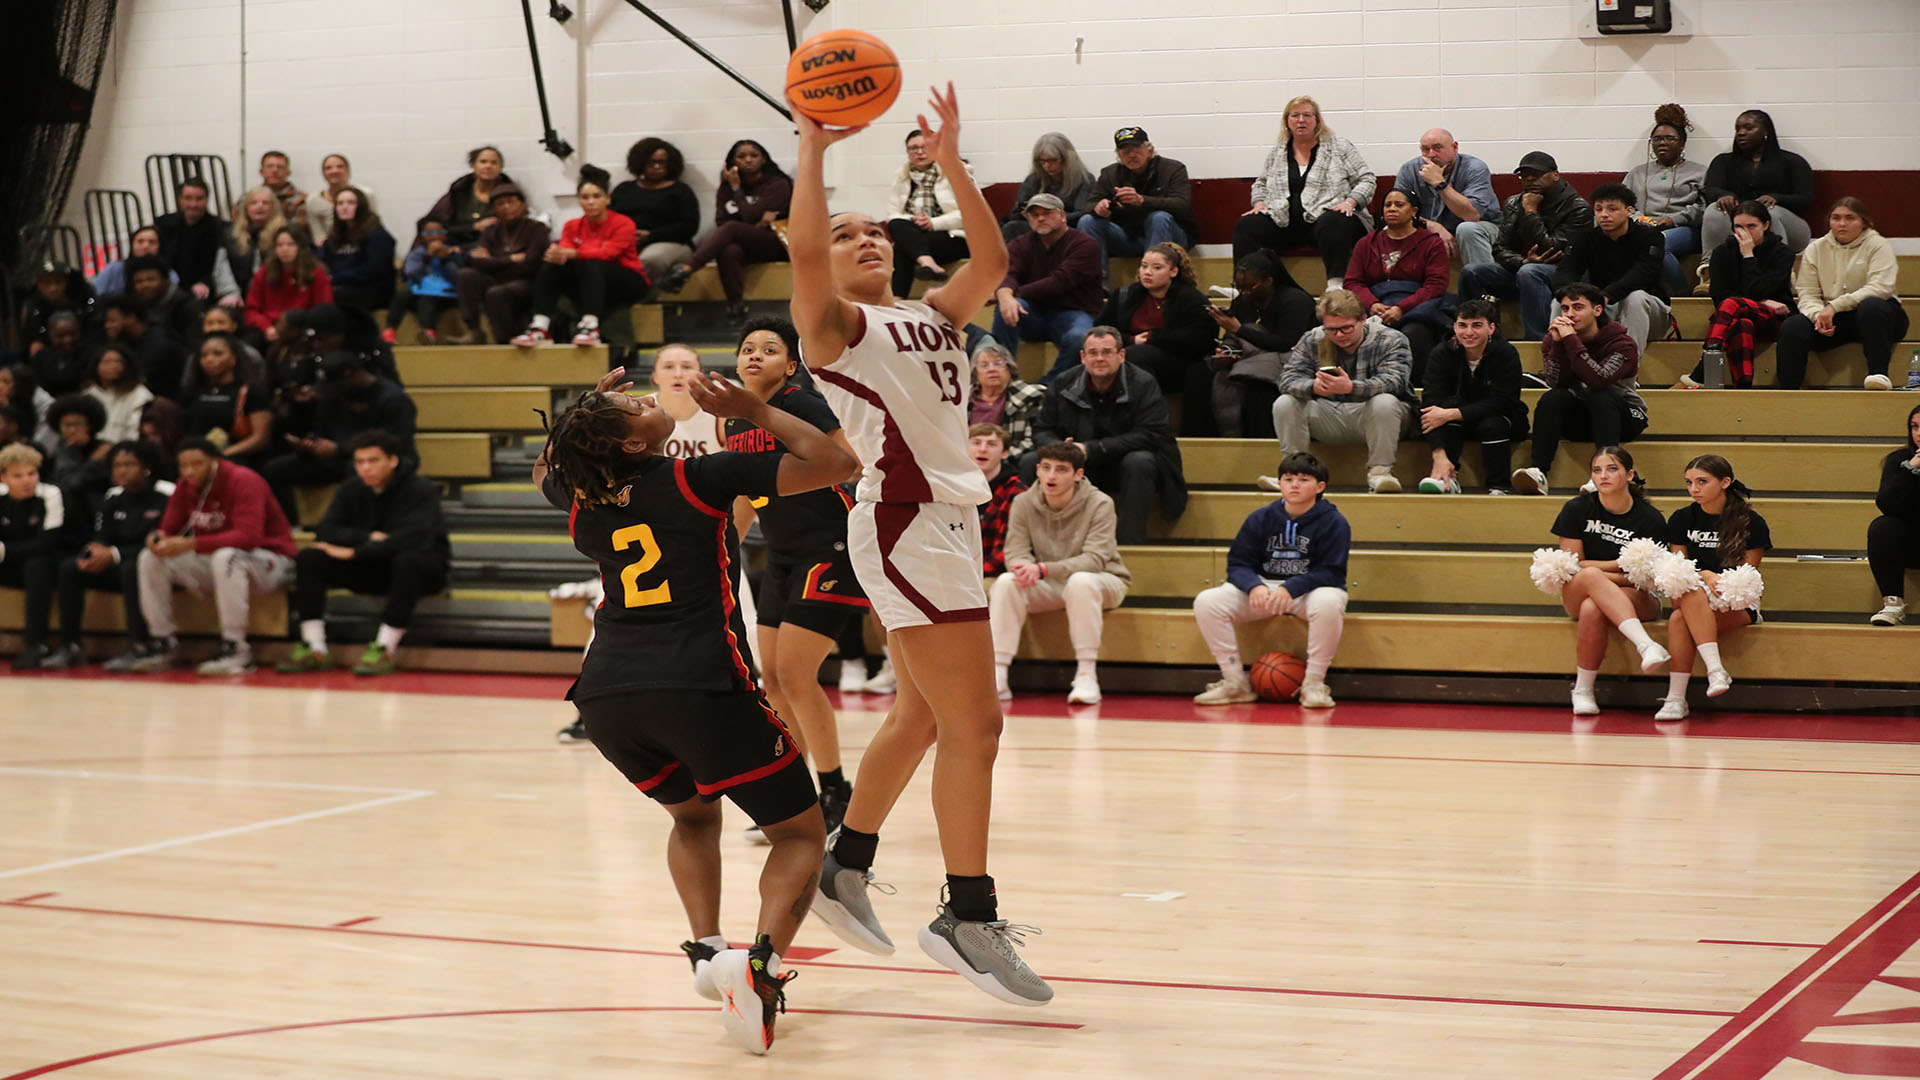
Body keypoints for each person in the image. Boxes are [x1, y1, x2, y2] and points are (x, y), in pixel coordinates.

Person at [787, 85, 1053, 1006]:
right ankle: (968, 914)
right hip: (904, 522)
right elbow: (802, 245)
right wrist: (813, 152)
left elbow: (993, 254)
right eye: (846, 232)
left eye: (877, 230)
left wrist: (949, 158)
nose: (866, 239)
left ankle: (844, 864)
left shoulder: (937, 315)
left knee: (922, 717)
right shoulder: (836, 330)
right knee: (977, 725)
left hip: (941, 523)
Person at [535, 364, 855, 1055]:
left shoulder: (578, 497)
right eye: (633, 406)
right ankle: (760, 971)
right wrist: (755, 411)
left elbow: (547, 466)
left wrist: (586, 408)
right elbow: (836, 460)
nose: (649, 398)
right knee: (800, 836)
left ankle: (707, 952)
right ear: (631, 445)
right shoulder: (698, 477)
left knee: (693, 813)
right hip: (701, 684)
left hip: (608, 697)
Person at [722, 316, 865, 837]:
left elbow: (850, 460)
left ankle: (836, 792)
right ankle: (797, 797)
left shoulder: (800, 404)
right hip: (781, 556)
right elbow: (740, 498)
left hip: (831, 548)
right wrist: (719, 550)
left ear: (790, 363)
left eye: (769, 348)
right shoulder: (732, 421)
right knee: (775, 681)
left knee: (798, 675)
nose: (755, 355)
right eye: (747, 348)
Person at [274, 431, 450, 677]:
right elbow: (326, 530)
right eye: (359, 462)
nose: (365, 468)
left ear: (393, 461)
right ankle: (314, 647)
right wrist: (366, 539)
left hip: (418, 572)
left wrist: (356, 553)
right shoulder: (351, 489)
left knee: (410, 559)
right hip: (371, 566)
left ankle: (384, 648)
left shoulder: (420, 489)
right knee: (310, 557)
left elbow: (415, 538)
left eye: (373, 460)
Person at [1191, 451, 1349, 709]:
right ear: (1280, 483)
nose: (1294, 485)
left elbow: (1331, 571)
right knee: (1208, 601)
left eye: (1303, 479)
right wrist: (1254, 586)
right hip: (1264, 589)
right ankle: (1234, 683)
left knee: (1330, 601)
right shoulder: (1260, 518)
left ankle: (1313, 684)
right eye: (1288, 479)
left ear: (1320, 487)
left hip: (1309, 591)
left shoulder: (1334, 522)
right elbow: (1238, 564)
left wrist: (1291, 587)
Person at [127, 438, 297, 676]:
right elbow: (169, 528)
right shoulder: (185, 486)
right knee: (150, 558)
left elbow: (248, 537)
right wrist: (157, 538)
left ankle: (236, 648)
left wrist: (192, 544)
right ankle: (162, 641)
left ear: (216, 461)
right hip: (222, 563)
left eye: (196, 464)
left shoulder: (244, 480)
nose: (189, 471)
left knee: (226, 556)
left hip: (272, 562)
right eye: (183, 466)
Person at [988, 440, 1129, 706]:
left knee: (1081, 582)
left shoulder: (1100, 503)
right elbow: (1015, 551)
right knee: (1007, 582)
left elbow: (1095, 559)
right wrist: (1022, 568)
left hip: (1104, 581)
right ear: (1038, 470)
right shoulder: (1023, 501)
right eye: (1046, 468)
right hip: (1050, 582)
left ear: (1078, 474)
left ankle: (1086, 675)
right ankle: (998, 675)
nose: (1051, 476)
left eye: (1061, 470)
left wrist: (1042, 569)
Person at [1030, 326, 1187, 545]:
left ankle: (1129, 545)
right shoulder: (1063, 382)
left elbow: (1153, 434)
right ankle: (1040, 544)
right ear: (1083, 357)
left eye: (1107, 352)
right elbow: (1041, 429)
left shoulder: (1143, 383)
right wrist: (1061, 450)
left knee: (1139, 462)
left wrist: (1091, 449)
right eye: (1093, 353)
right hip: (1078, 464)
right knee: (1031, 462)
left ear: (1121, 356)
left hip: (1125, 463)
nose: (1100, 358)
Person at [1551, 446, 1672, 716]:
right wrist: (1618, 567)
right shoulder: (1576, 509)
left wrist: (1600, 576)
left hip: (1639, 595)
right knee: (1589, 578)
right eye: (1597, 470)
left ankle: (1582, 690)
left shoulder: (1650, 518)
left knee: (1593, 606)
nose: (1603, 476)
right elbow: (1572, 565)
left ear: (1629, 475)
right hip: (1580, 588)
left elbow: (1647, 579)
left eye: (1612, 469)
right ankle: (1646, 645)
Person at [1262, 289, 1412, 495]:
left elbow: (1395, 381)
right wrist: (1312, 387)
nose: (1339, 335)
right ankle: (1293, 474)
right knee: (1285, 403)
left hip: (1374, 416)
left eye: (1346, 328)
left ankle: (1380, 474)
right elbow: (1287, 378)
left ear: (1363, 320)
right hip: (1328, 413)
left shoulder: (1391, 339)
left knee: (1385, 402)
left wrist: (1351, 386)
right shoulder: (1313, 338)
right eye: (1331, 329)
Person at [1658, 454, 1769, 721]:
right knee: (1690, 592)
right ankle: (1716, 669)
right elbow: (1678, 570)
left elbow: (1748, 577)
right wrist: (1705, 574)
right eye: (1689, 482)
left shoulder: (1751, 522)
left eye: (1702, 482)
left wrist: (1714, 582)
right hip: (1689, 593)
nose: (1693, 489)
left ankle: (1675, 699)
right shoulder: (1681, 519)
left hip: (1734, 601)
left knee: (1677, 621)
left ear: (1725, 482)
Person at [46, 441, 174, 671]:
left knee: (133, 567)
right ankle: (70, 645)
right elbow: (102, 536)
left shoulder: (166, 493)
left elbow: (161, 544)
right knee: (70, 567)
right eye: (116, 465)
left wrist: (113, 554)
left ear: (147, 466)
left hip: (155, 565)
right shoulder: (113, 495)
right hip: (116, 561)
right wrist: (95, 552)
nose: (121, 470)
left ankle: (139, 645)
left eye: (129, 464)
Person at [1513, 284, 1648, 496]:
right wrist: (1559, 346)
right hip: (1582, 419)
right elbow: (1557, 382)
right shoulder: (1555, 339)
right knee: (1553, 397)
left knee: (1602, 397)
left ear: (1597, 310)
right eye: (1565, 309)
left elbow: (1598, 380)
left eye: (1578, 307)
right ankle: (1539, 472)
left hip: (1626, 417)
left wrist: (1571, 340)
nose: (1570, 314)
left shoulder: (1623, 343)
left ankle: (1606, 473)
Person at [1234, 97, 1375, 287]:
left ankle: (1337, 284)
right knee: (1248, 224)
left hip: (1327, 221)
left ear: (1317, 121)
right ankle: (1244, 284)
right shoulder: (1278, 152)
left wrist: (1350, 202)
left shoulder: (1339, 147)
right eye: (1295, 115)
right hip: (1285, 221)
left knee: (1333, 220)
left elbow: (1367, 179)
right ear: (1287, 121)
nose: (1301, 120)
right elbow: (1261, 184)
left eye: (1307, 115)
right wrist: (1259, 203)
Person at [262, 350, 416, 523]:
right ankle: (287, 525)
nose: (333, 392)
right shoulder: (332, 397)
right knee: (274, 469)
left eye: (336, 386)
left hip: (383, 460)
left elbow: (395, 443)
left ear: (350, 375)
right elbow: (321, 429)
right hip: (334, 459)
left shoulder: (392, 399)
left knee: (360, 468)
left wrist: (339, 449)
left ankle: (363, 528)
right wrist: (311, 445)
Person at [1778, 197, 1909, 390]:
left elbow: (1881, 287)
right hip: (1835, 319)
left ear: (1864, 222)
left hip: (1880, 317)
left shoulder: (1878, 245)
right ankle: (1788, 390)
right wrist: (1818, 316)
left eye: (1850, 218)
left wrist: (1834, 306)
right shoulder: (1816, 248)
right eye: (1836, 218)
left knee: (1872, 306)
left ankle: (1879, 375)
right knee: (1793, 325)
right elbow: (1807, 292)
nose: (1842, 224)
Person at [1459, 152, 1593, 341]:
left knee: (1530, 273)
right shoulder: (1514, 203)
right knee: (1471, 272)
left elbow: (1554, 249)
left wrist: (1531, 212)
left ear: (1555, 175)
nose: (1530, 179)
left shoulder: (1578, 208)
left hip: (1565, 274)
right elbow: (1499, 248)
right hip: (1524, 269)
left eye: (1536, 174)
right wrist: (1522, 261)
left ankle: (1538, 340)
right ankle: (1480, 335)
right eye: (1524, 175)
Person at [655, 141, 793, 323]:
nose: (748, 160)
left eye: (754, 155)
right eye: (742, 156)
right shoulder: (726, 187)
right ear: (733, 162)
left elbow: (747, 217)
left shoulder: (777, 184)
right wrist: (754, 223)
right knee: (729, 250)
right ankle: (736, 306)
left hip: (773, 244)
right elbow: (722, 220)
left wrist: (737, 191)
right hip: (745, 243)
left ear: (763, 159)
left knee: (732, 229)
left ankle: (686, 270)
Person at [513, 165, 650, 349]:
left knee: (593, 263)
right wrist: (556, 254)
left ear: (607, 199)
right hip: (589, 279)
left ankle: (590, 326)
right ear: (579, 200)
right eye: (585, 197)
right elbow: (565, 251)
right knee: (552, 265)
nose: (591, 202)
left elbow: (608, 253)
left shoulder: (623, 223)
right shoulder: (572, 225)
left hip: (628, 279)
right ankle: (540, 326)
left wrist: (575, 253)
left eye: (596, 196)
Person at [1094, 242, 1217, 417]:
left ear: (1173, 271)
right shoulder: (1125, 294)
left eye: (1157, 267)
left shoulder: (1192, 299)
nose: (1147, 272)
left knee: (1135, 355)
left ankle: (1150, 417)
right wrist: (1131, 340)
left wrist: (1155, 337)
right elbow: (1100, 330)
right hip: (1129, 355)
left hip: (1177, 363)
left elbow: (1201, 339)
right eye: (1144, 266)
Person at [991, 193, 1104, 383]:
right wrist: (1005, 295)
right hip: (1034, 313)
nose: (1040, 218)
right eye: (1034, 215)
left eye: (1047, 213)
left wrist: (1011, 293)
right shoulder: (1020, 243)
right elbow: (1007, 273)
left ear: (1062, 216)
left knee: (1080, 338)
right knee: (1007, 309)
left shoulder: (1086, 244)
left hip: (1074, 312)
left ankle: (1048, 388)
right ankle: (1003, 381)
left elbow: (1059, 281)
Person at [1419, 299, 1528, 495]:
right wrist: (1438, 454)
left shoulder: (1506, 353)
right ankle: (1447, 478)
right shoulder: (1442, 353)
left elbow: (1503, 402)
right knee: (1442, 413)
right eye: (1462, 325)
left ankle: (1499, 486)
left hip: (1503, 417)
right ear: (1454, 327)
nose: (1468, 332)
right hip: (1458, 421)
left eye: (1477, 325)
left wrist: (1453, 413)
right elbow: (1430, 406)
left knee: (1492, 424)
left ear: (1491, 328)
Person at [1202, 252, 1316, 438]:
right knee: (1200, 373)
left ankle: (1260, 442)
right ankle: (1208, 440)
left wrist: (1239, 329)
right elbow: (1235, 338)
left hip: (1292, 359)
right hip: (1252, 358)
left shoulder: (1296, 301)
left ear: (1269, 281)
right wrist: (1226, 352)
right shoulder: (1243, 301)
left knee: (1256, 385)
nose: (1243, 292)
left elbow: (1287, 343)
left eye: (1249, 287)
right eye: (1238, 287)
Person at [1682, 200, 1795, 388]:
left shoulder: (1783, 253)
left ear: (1766, 225)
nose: (1745, 232)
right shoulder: (1721, 253)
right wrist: (1764, 300)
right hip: (1738, 317)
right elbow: (1720, 296)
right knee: (1741, 324)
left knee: (1734, 304)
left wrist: (1748, 256)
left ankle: (1708, 358)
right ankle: (1743, 388)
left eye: (1752, 226)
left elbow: (1761, 289)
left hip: (1776, 317)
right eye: (1738, 226)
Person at [1552, 181, 1671, 354]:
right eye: (1599, 209)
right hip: (1603, 306)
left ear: (1629, 211)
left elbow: (1644, 273)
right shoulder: (1586, 238)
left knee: (1635, 298)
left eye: (1612, 209)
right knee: (1560, 301)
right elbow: (1567, 269)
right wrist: (1567, 294)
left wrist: (1606, 295)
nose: (1604, 215)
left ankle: (1628, 373)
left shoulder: (1650, 236)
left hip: (1648, 308)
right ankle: (1558, 363)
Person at [1345, 189, 1451, 380]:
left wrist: (1401, 308)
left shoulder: (1431, 244)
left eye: (1399, 205)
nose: (1392, 209)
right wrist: (1373, 304)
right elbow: (1352, 282)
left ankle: (1416, 388)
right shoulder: (1366, 243)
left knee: (1414, 334)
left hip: (1418, 309)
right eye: (1388, 205)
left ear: (1414, 211)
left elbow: (1436, 285)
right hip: (1375, 308)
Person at [1700, 109, 1814, 265]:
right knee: (1714, 211)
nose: (1741, 133)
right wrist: (1723, 195)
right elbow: (1710, 189)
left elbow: (1805, 199)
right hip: (1740, 227)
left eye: (1748, 128)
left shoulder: (1792, 162)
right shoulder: (1723, 161)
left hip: (1790, 229)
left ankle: (1776, 269)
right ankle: (1709, 269)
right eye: (1738, 129)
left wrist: (1777, 198)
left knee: (1768, 212)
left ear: (1765, 131)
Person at [1076, 126, 1197, 267]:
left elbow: (1182, 205)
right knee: (1087, 221)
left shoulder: (1173, 169)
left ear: (1150, 150)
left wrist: (1142, 201)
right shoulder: (1110, 174)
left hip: (1170, 237)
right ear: (1119, 155)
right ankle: (1097, 283)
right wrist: (1099, 207)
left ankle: (1152, 279)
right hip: (1128, 237)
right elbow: (1087, 206)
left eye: (1136, 149)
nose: (1131, 155)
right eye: (1125, 151)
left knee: (1158, 217)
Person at [1623, 104, 1708, 294]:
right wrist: (1640, 220)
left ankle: (1682, 293)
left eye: (1669, 138)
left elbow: (1704, 207)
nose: (1662, 143)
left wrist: (1673, 219)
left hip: (1684, 230)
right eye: (1657, 139)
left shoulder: (1700, 172)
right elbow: (1623, 205)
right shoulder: (1637, 173)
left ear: (1682, 143)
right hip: (1643, 228)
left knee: (1658, 242)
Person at [457, 183, 550, 344]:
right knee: (465, 275)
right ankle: (474, 330)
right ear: (494, 209)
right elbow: (477, 262)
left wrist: (493, 260)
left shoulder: (537, 228)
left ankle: (504, 341)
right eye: (500, 204)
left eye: (511, 202)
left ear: (522, 204)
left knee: (496, 293)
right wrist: (511, 259)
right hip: (497, 278)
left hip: (525, 282)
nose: (507, 207)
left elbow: (530, 262)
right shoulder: (490, 231)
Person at [0, 442, 65, 670]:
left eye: (32, 473)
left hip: (44, 563)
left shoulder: (50, 494)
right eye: (18, 476)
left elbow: (46, 544)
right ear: (3, 478)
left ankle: (35, 644)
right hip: (8, 562)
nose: (27, 480)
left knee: (36, 565)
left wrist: (5, 550)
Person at [886, 128, 974, 296]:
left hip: (954, 237)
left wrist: (933, 223)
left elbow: (971, 214)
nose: (919, 152)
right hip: (917, 237)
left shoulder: (957, 172)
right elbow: (893, 215)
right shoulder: (901, 177)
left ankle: (897, 300)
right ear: (907, 152)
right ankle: (927, 263)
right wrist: (914, 220)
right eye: (913, 148)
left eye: (925, 147)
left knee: (901, 248)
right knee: (896, 225)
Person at [1395, 128, 1500, 262]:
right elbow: (1399, 212)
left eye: (1437, 148)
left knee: (1467, 229)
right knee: (1392, 227)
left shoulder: (1475, 168)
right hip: (1430, 229)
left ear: (1455, 147)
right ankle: (1397, 282)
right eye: (1425, 150)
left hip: (1481, 227)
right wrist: (1431, 226)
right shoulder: (1409, 169)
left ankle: (1480, 280)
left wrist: (1439, 183)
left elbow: (1471, 215)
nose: (1431, 155)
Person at [609, 137, 702, 281]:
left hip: (670, 243)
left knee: (650, 260)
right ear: (641, 163)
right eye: (652, 162)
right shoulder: (624, 189)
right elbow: (609, 218)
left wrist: (651, 235)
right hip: (626, 241)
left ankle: (641, 299)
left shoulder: (680, 191)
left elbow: (689, 226)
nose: (657, 167)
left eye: (662, 162)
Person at [1867, 403, 1920, 627]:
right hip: (1913, 544)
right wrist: (1912, 469)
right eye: (1915, 427)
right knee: (1882, 527)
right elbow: (1887, 504)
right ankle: (1893, 604)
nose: (1919, 433)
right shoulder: (1900, 460)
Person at [384, 218, 466, 345]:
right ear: (422, 237)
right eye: (429, 233)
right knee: (401, 296)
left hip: (448, 294)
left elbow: (459, 277)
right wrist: (427, 257)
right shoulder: (417, 253)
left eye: (437, 232)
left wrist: (446, 259)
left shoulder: (454, 252)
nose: (433, 237)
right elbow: (412, 274)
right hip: (421, 291)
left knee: (427, 299)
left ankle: (428, 332)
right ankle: (390, 331)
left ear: (444, 234)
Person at [245, 227, 334, 342]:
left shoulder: (317, 274)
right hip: (270, 329)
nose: (284, 249)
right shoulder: (264, 273)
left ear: (301, 248)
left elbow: (324, 310)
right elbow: (251, 310)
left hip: (302, 329)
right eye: (280, 245)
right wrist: (267, 327)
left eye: (291, 245)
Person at [1001, 133, 1094, 240]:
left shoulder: (1084, 180)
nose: (1047, 166)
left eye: (1052, 160)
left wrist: (1050, 217)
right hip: (1037, 227)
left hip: (1067, 228)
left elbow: (1081, 214)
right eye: (1042, 161)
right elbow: (1016, 213)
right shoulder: (1033, 180)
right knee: (1011, 227)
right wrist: (1024, 213)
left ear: (1067, 158)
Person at [318, 188, 397, 316]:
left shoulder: (377, 234)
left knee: (335, 296)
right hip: (340, 284)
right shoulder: (335, 235)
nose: (344, 207)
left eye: (350, 203)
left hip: (372, 289)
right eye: (340, 203)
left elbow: (373, 270)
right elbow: (325, 262)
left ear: (361, 206)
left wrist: (335, 278)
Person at [154, 178, 230, 303]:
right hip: (169, 287)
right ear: (180, 200)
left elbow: (219, 265)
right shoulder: (163, 224)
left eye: (199, 199)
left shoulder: (220, 228)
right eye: (188, 198)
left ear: (207, 200)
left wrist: (205, 282)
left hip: (206, 290)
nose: (194, 204)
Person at [103, 297, 190, 403]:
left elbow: (136, 384)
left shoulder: (160, 347)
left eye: (112, 321)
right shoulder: (126, 343)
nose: (107, 326)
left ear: (130, 318)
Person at [967, 343, 1045, 457]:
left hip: (1010, 461)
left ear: (1010, 368)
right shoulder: (962, 399)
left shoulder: (1030, 397)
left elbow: (1033, 441)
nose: (991, 369)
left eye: (998, 363)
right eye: (984, 365)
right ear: (975, 372)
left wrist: (998, 457)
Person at [428, 146, 511, 249]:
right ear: (473, 165)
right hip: (453, 242)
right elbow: (443, 226)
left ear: (500, 168)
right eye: (483, 162)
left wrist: (463, 249)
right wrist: (474, 227)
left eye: (494, 163)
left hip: (488, 248)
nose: (488, 166)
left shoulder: (508, 195)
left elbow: (509, 233)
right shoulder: (459, 191)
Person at [970, 422, 1026, 576]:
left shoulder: (1016, 492)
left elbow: (1010, 547)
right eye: (976, 443)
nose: (982, 449)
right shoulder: (952, 487)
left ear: (1005, 453)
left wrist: (975, 574)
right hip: (958, 571)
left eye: (991, 444)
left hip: (995, 573)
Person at [221, 187, 289, 309]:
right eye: (253, 203)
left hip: (278, 292)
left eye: (265, 203)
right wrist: (231, 292)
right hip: (239, 294)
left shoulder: (286, 233)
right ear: (246, 209)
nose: (259, 206)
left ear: (273, 208)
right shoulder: (230, 234)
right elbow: (222, 266)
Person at [650, 344, 721, 458]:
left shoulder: (719, 413)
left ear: (700, 375)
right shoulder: (641, 409)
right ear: (655, 376)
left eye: (686, 367)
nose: (678, 374)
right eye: (668, 367)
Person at [42, 394, 113, 502]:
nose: (72, 430)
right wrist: (93, 461)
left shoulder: (105, 449)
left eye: (77, 424)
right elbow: (70, 483)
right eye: (67, 425)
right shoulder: (61, 451)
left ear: (89, 426)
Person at [128, 254, 205, 348]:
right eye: (139, 282)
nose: (145, 285)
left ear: (165, 280)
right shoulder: (136, 310)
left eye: (151, 279)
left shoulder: (186, 305)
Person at [82, 344, 154, 444]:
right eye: (107, 362)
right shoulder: (88, 395)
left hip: (126, 450)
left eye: (118, 362)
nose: (114, 366)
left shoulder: (139, 394)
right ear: (96, 366)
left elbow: (135, 431)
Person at [91, 226, 177, 301]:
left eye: (152, 242)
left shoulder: (169, 274)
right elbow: (93, 296)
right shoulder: (114, 269)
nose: (145, 246)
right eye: (140, 241)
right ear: (132, 245)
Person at [304, 153, 372, 246]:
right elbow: (318, 237)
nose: (334, 171)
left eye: (340, 166)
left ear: (348, 171)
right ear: (323, 173)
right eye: (328, 168)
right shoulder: (312, 201)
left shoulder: (366, 194)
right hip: (331, 250)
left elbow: (373, 224)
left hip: (363, 245)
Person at [258, 150, 307, 226]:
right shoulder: (249, 199)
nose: (275, 170)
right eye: (270, 166)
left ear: (288, 172)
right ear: (261, 171)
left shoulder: (301, 200)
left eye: (280, 167)